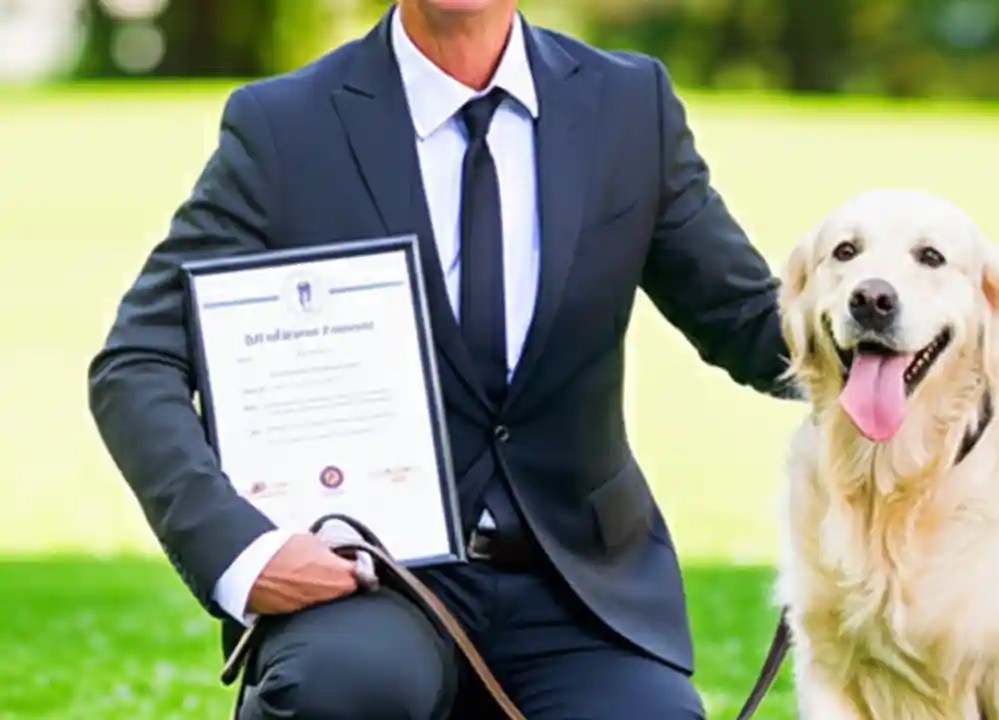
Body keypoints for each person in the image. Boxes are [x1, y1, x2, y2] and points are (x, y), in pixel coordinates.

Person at [87, 1, 794, 717]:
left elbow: (749, 323)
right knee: (338, 693)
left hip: (577, 592)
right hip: (369, 579)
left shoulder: (628, 106)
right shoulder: (286, 127)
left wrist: (893, 330)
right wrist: (241, 552)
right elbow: (138, 360)